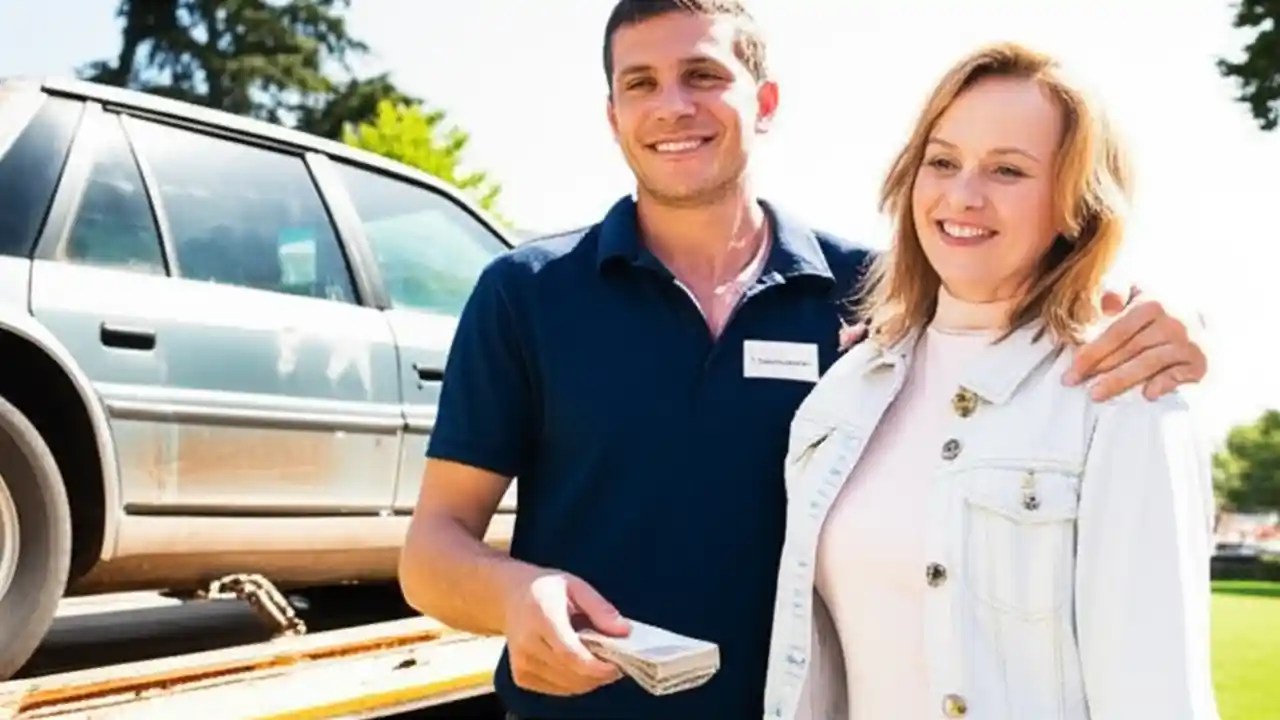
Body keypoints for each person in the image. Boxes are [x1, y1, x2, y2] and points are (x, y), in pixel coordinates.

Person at [397, 2, 1210, 718]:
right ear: (611, 114)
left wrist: (1175, 318)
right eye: (639, 82)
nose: (671, 105)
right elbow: (432, 549)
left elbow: (1032, 294)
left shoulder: (878, 293)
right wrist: (514, 596)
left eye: (703, 74)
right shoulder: (526, 293)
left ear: (767, 101)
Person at [762, 42, 1219, 720]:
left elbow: (1156, 694)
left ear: (1076, 206)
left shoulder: (1124, 394)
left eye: (1008, 170)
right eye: (942, 162)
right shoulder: (846, 388)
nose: (962, 195)